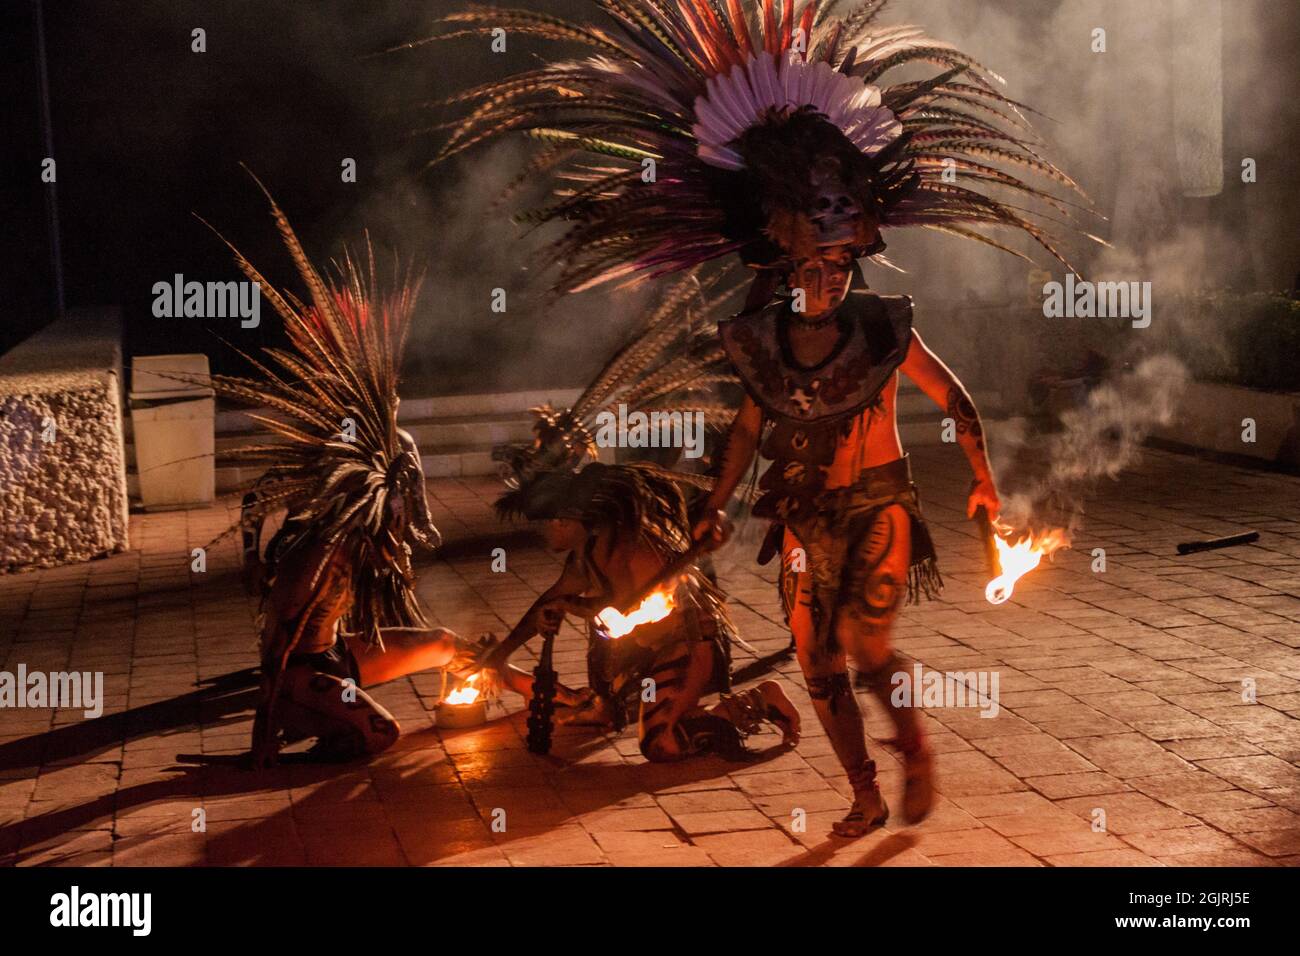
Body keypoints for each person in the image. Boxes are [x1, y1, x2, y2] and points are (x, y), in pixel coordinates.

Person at [483, 462, 800, 761]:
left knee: (661, 743)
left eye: (546, 526)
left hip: (690, 645)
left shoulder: (630, 546)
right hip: (651, 650)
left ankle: (761, 699)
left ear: (563, 521)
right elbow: (550, 601)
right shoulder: (587, 555)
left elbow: (627, 612)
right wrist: (501, 653)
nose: (544, 535)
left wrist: (567, 606)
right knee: (602, 631)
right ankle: (607, 704)